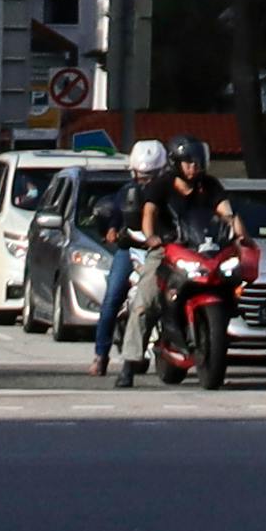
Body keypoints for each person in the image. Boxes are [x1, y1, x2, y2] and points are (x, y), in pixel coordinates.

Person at [122, 141, 240, 385]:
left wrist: (240, 234)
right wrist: (152, 237)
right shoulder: (161, 185)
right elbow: (149, 215)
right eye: (188, 162)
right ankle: (129, 363)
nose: (193, 167)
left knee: (233, 281)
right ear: (176, 164)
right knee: (146, 301)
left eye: (197, 162)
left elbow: (227, 213)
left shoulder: (211, 185)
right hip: (166, 249)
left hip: (203, 250)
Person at [89, 140, 167, 378]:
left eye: (152, 175)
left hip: (165, 248)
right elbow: (115, 215)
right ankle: (101, 355)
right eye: (141, 176)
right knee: (112, 297)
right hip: (133, 248)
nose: (146, 181)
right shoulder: (127, 192)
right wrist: (113, 231)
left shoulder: (171, 191)